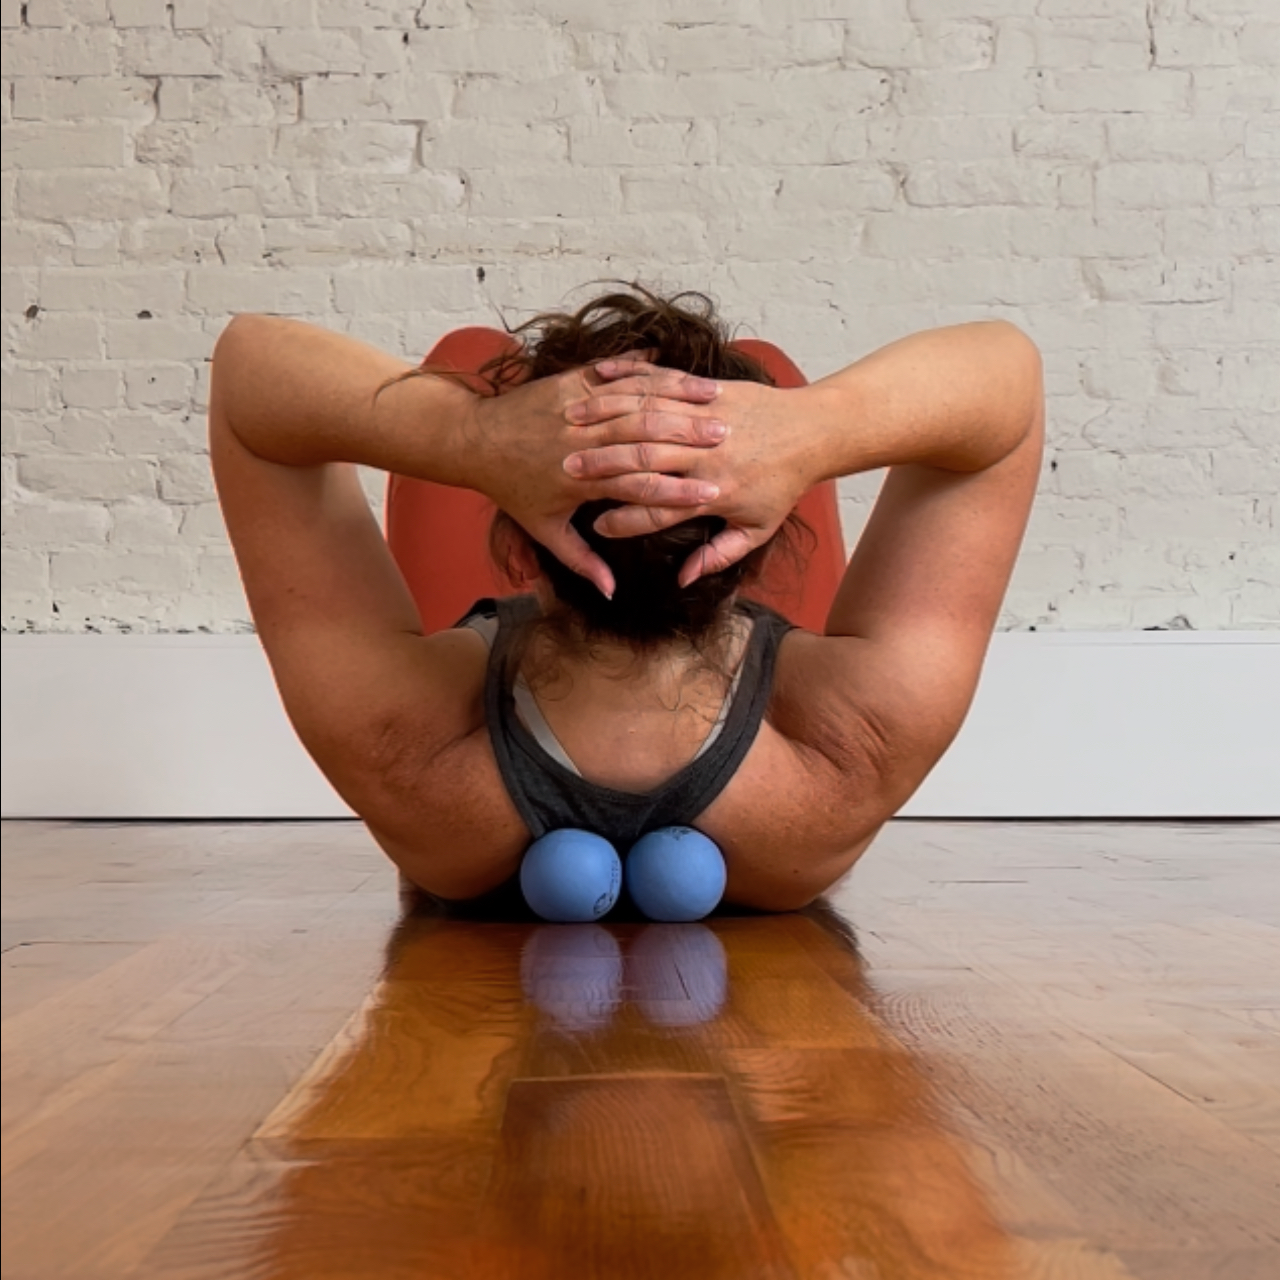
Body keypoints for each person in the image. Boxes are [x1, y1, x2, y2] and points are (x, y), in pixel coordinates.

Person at [210, 286, 1043, 910]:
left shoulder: (412, 756)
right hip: (767, 786)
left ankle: (505, 452)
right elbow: (1006, 376)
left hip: (477, 781)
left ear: (517, 540)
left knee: (468, 356)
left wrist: (473, 437)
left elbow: (252, 373)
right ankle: (766, 429)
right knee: (777, 370)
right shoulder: (841, 757)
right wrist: (809, 428)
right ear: (756, 545)